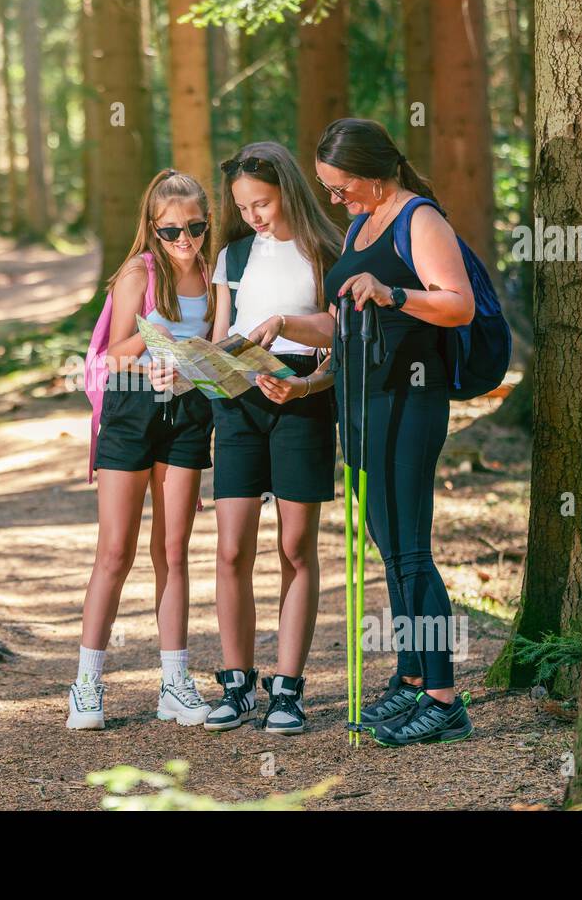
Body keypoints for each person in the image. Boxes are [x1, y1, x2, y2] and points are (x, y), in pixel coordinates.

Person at [253, 117, 476, 745]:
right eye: (327, 188)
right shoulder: (359, 225)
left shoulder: (419, 220)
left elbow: (456, 304)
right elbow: (338, 326)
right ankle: (410, 680)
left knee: (411, 548)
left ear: (376, 174)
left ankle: (444, 697)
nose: (333, 198)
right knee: (387, 542)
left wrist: (393, 293)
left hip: (411, 399)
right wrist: (285, 329)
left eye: (340, 185)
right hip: (361, 403)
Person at [69, 169, 218, 730]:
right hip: (132, 409)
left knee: (173, 551)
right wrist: (158, 346)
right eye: (172, 231)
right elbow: (111, 355)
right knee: (115, 552)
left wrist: (195, 359)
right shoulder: (140, 271)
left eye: (195, 227)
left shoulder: (213, 272)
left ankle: (175, 684)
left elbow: (220, 343)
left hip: (187, 413)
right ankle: (86, 685)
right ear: (153, 229)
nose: (185, 240)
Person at [203, 142, 342, 734]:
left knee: (294, 548)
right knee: (232, 547)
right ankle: (237, 683)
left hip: (301, 400)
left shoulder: (325, 250)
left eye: (262, 202)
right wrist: (198, 363)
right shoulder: (233, 255)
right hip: (237, 403)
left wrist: (305, 384)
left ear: (287, 188)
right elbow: (219, 334)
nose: (255, 215)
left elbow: (341, 338)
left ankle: (287, 688)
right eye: (243, 205)